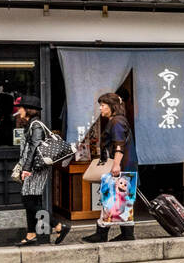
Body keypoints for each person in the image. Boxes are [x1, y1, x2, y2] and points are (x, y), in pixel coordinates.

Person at [15, 96, 71, 246]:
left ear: (27, 109)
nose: (18, 110)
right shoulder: (31, 124)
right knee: (30, 201)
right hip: (32, 168)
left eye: (21, 107)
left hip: (36, 168)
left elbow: (34, 147)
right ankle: (31, 234)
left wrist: (26, 169)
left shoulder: (36, 125)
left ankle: (58, 225)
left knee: (29, 202)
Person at [83, 92, 137, 242]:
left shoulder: (117, 122)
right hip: (127, 164)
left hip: (122, 165)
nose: (100, 108)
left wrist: (116, 165)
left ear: (112, 107)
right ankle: (127, 234)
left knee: (112, 197)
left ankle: (102, 234)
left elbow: (119, 145)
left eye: (103, 105)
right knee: (122, 199)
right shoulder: (118, 120)